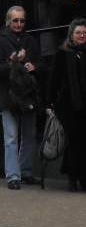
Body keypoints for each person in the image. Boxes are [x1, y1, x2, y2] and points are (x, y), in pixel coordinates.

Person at [0, 5, 41, 189]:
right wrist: (14, 62)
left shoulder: (30, 41)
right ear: (8, 21)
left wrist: (33, 66)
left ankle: (26, 171)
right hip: (9, 95)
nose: (19, 24)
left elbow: (39, 63)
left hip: (28, 95)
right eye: (15, 20)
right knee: (11, 137)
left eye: (22, 20)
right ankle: (12, 176)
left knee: (29, 135)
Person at [47, 18, 86, 191]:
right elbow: (54, 79)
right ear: (71, 34)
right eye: (78, 33)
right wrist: (49, 103)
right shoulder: (62, 53)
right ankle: (73, 177)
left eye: (84, 33)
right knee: (74, 141)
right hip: (68, 106)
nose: (82, 36)